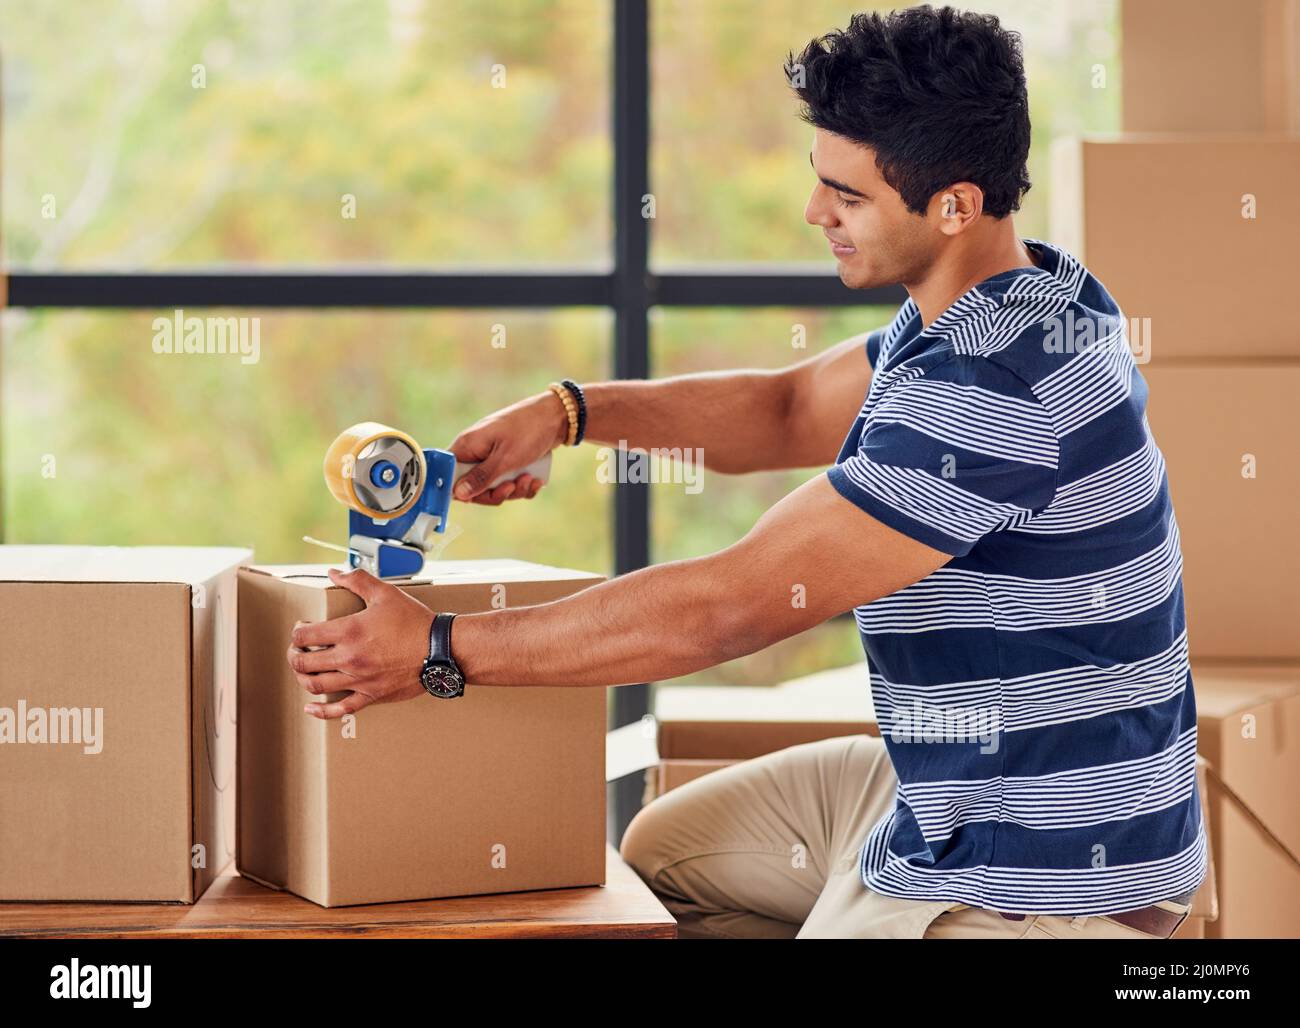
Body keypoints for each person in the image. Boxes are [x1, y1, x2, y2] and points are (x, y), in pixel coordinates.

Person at [286, 5, 1204, 939]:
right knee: (663, 862)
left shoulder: (992, 383)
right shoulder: (1025, 296)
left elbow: (736, 604)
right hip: (949, 778)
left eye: (847, 196)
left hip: (1042, 867)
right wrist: (568, 415)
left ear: (956, 204)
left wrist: (440, 651)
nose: (816, 213)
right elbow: (785, 408)